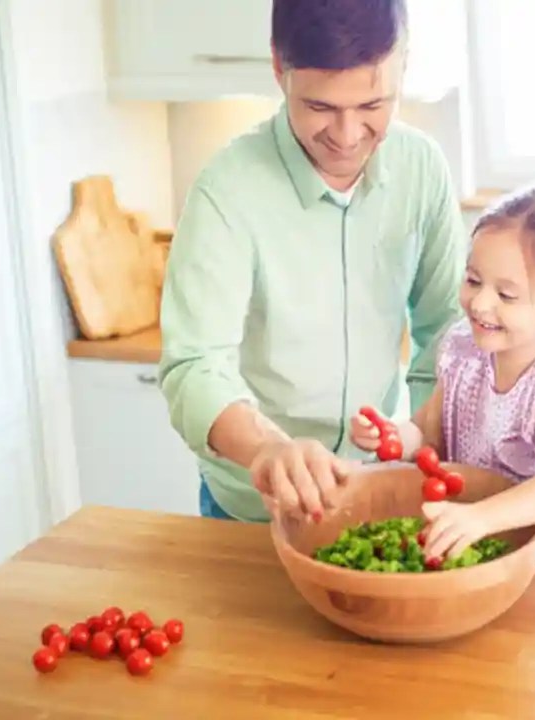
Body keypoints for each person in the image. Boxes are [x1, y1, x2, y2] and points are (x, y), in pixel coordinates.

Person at [158, 0, 467, 523]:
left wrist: (419, 441)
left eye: (373, 105)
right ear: (280, 67)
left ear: (404, 63)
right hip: (254, 511)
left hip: (377, 492)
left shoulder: (423, 170)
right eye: (320, 107)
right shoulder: (226, 189)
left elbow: (445, 333)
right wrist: (269, 450)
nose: (347, 137)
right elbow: (194, 365)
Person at [349, 183, 535, 561]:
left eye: (506, 295)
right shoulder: (461, 346)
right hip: (476, 545)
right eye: (473, 281)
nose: (480, 303)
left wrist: (482, 517)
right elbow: (428, 433)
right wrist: (392, 436)